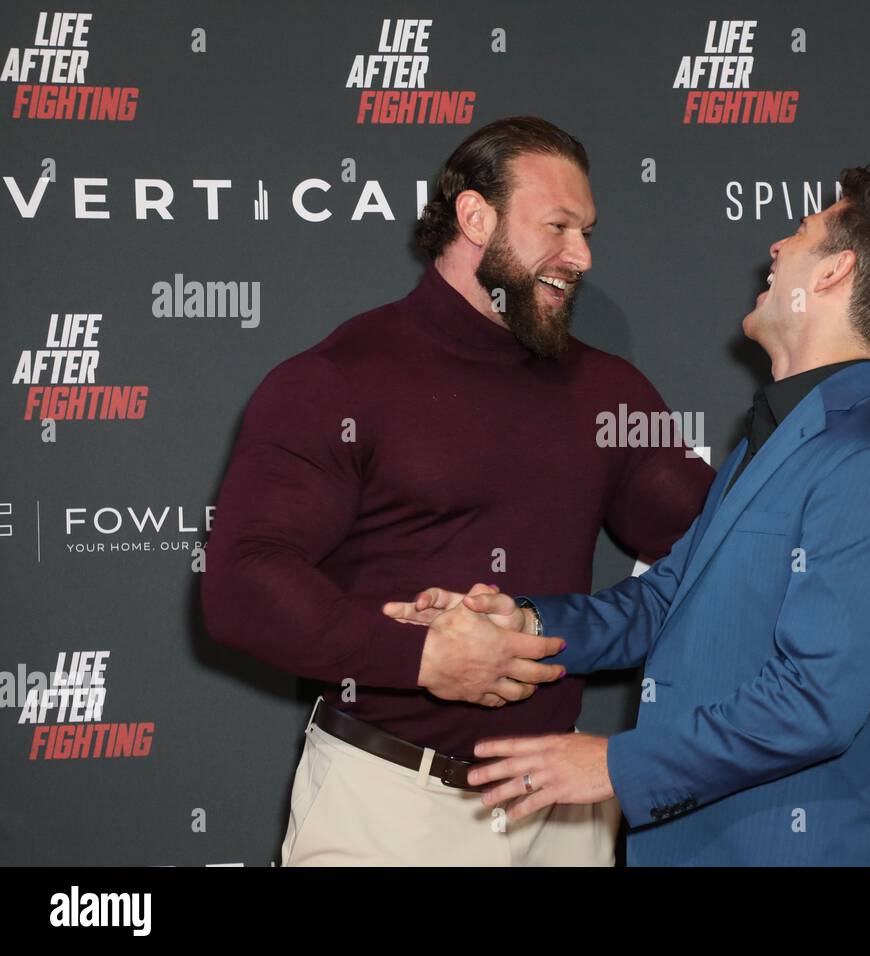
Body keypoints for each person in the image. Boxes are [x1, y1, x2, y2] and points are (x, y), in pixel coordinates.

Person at [385, 165, 870, 865]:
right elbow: (665, 603)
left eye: (801, 234)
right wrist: (527, 624)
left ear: (836, 271)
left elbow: (814, 703)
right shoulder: (780, 438)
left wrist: (615, 766)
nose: (776, 249)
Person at [201, 116, 713, 866]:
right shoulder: (339, 379)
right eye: (559, 227)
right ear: (476, 216)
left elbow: (723, 545)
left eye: (588, 231)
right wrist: (422, 657)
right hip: (390, 804)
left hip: (561, 807)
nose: (582, 256)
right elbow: (243, 584)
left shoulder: (606, 390)